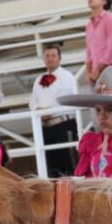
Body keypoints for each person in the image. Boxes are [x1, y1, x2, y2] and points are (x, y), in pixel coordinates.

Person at [29, 44, 79, 177]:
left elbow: (65, 98)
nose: (50, 59)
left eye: (53, 55)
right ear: (43, 59)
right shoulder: (38, 79)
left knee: (69, 164)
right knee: (52, 166)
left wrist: (48, 111)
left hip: (63, 124)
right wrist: (38, 110)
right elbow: (32, 101)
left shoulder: (66, 76)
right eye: (47, 56)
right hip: (46, 127)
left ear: (59, 58)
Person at [84, 0, 112, 83]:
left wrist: (99, 69)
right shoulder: (89, 24)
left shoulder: (110, 20)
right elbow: (89, 50)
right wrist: (89, 71)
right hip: (95, 74)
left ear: (104, 1)